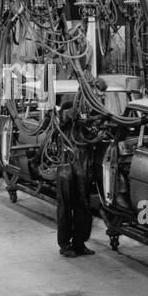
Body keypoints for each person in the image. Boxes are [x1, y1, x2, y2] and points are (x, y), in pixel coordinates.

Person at [55, 95, 95, 258]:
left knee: (83, 205)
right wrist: (78, 110)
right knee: (65, 206)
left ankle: (79, 242)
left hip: (84, 167)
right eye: (97, 92)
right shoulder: (68, 113)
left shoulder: (92, 116)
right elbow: (66, 116)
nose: (99, 96)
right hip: (67, 166)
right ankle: (65, 245)